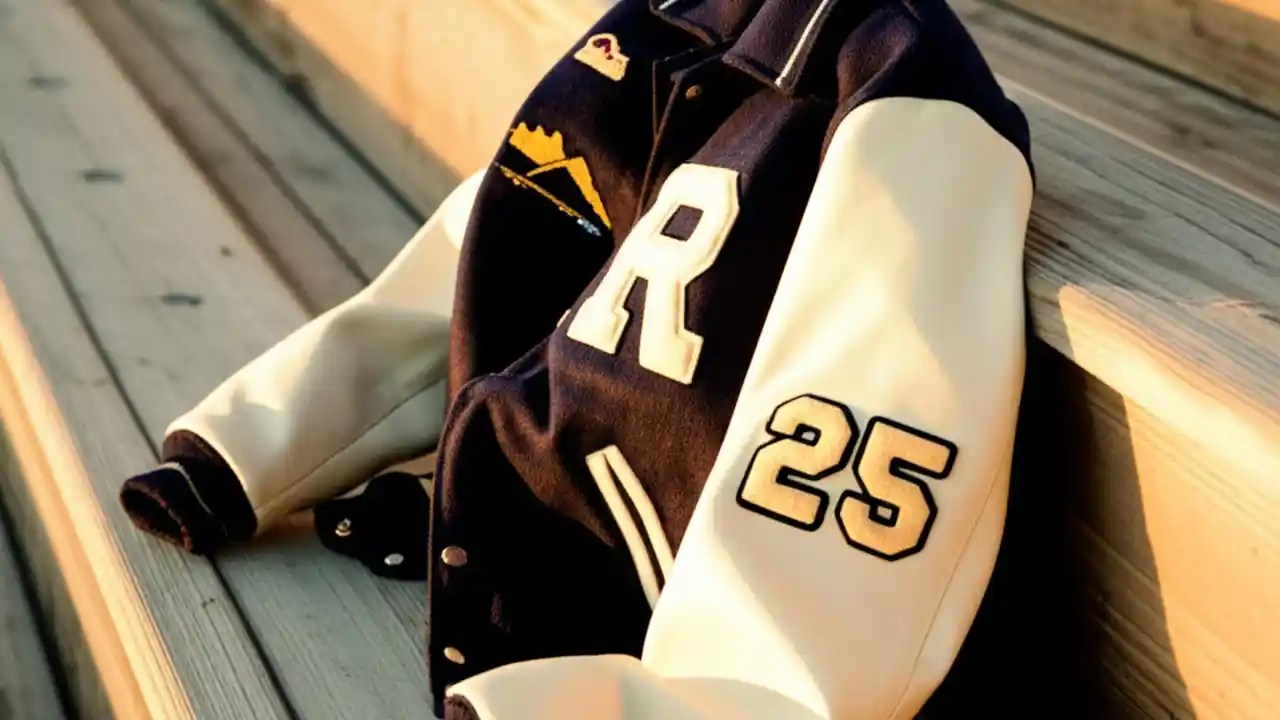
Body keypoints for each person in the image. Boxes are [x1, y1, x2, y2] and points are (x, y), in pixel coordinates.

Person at [119, 0, 1034, 717]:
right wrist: (246, 445)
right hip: (499, 536)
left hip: (633, 613)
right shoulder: (653, 25)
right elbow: (486, 240)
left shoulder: (910, 99)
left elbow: (865, 428)